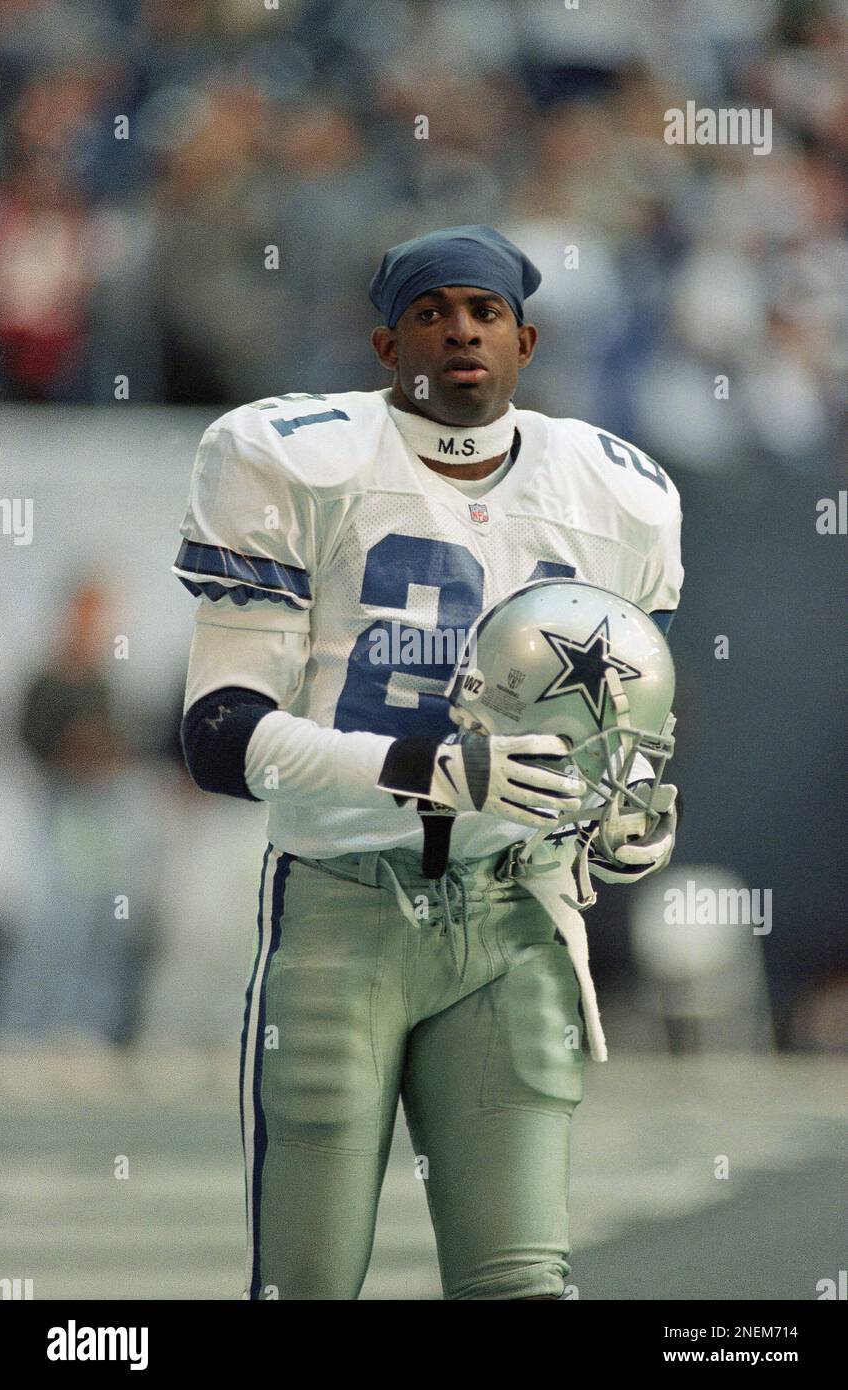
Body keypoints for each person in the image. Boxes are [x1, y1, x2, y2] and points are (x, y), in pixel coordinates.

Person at [172, 225, 683, 1300]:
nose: (459, 330)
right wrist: (437, 771)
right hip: (340, 906)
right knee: (305, 1286)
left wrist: (627, 816)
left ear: (525, 340)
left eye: (483, 312)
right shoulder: (294, 458)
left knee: (518, 1287)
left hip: (513, 917)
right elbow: (219, 737)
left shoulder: (610, 489)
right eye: (431, 312)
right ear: (383, 343)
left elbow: (632, 718)